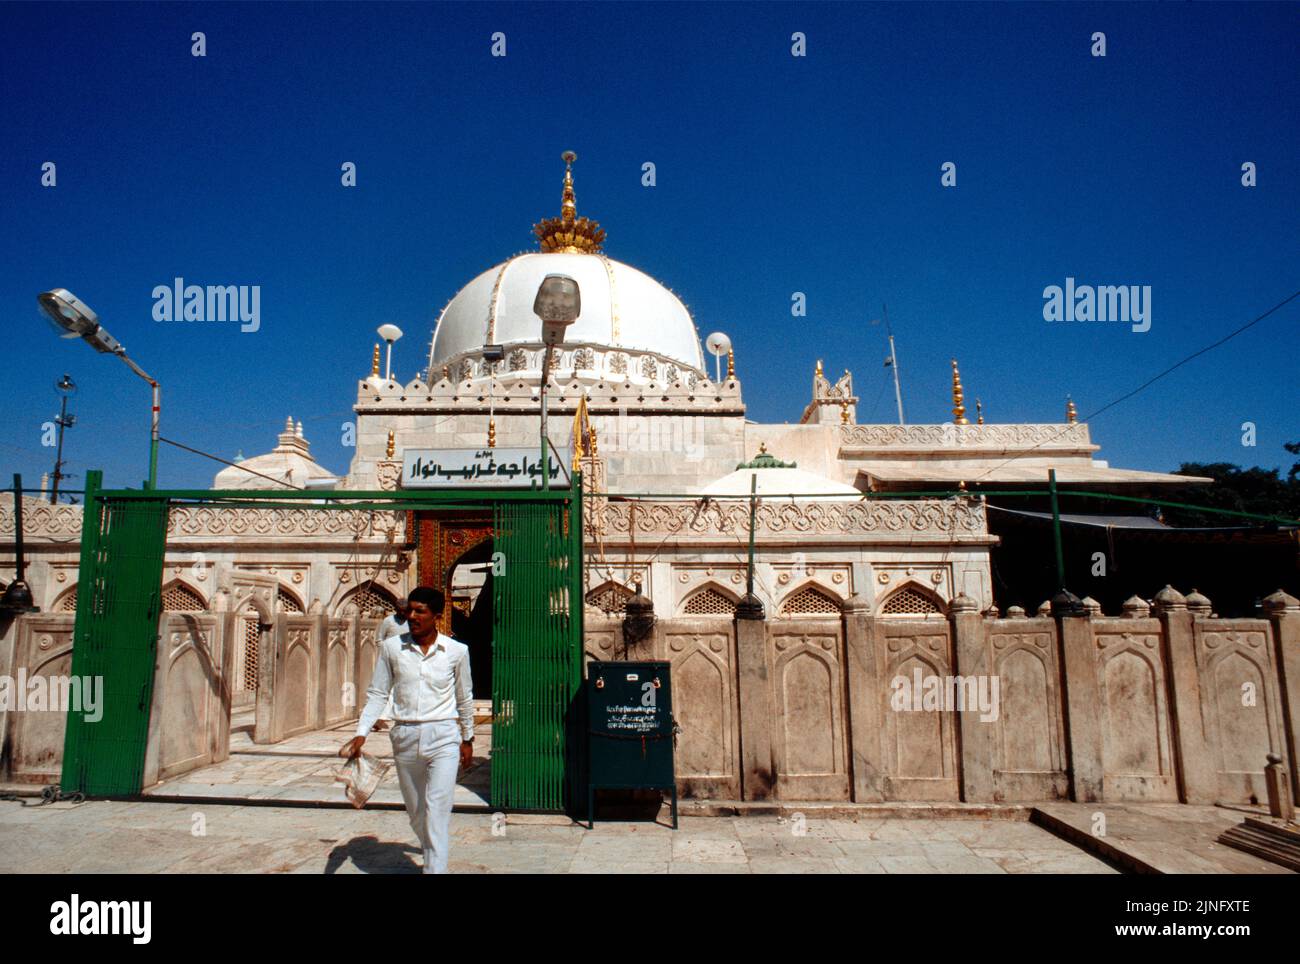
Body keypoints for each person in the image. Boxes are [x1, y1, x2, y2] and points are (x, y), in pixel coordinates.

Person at [342, 586, 473, 874]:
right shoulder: (392, 648)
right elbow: (378, 693)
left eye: (419, 611)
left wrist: (467, 738)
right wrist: (362, 731)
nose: (411, 616)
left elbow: (464, 697)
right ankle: (432, 849)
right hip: (405, 736)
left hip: (443, 737)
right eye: (410, 610)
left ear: (436, 616)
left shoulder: (457, 652)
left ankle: (434, 868)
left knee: (437, 808)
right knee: (416, 812)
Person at [371, 597, 409, 731]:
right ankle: (380, 718)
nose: (403, 614)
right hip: (390, 659)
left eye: (405, 611)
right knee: (386, 688)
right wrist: (388, 651)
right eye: (400, 611)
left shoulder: (411, 621)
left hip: (407, 659)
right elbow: (379, 639)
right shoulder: (388, 621)